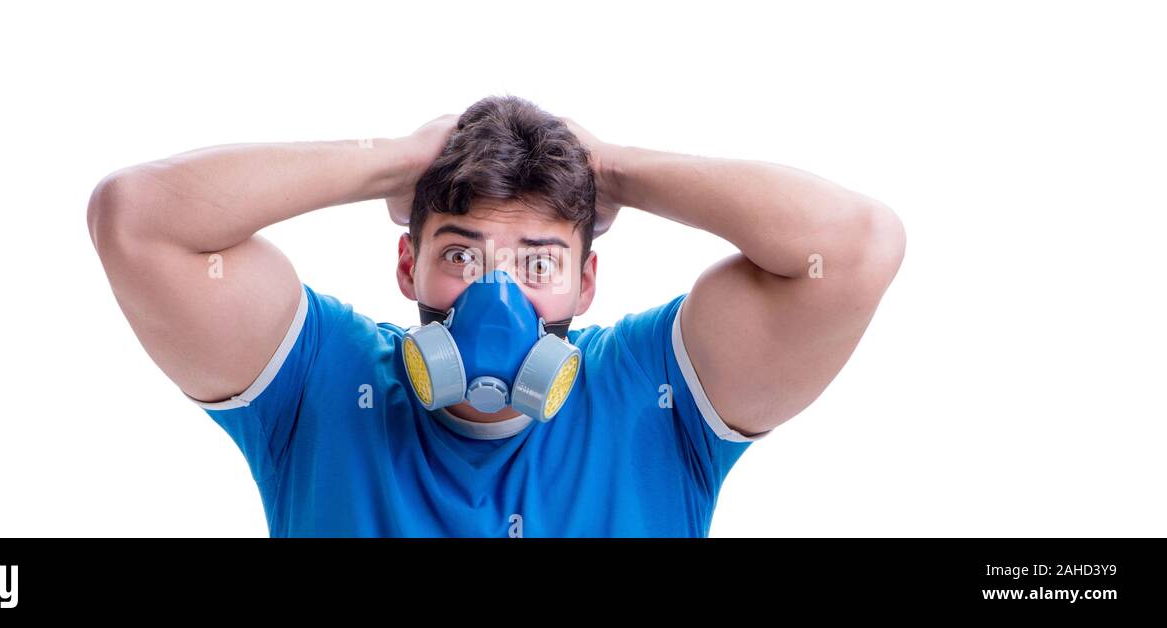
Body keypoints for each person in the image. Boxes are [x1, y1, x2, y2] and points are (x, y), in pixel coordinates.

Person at [86, 95, 905, 537]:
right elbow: (136, 219)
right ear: (408, 264)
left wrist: (612, 166)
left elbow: (857, 247)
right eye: (461, 255)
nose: (495, 298)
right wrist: (398, 162)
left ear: (587, 282)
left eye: (538, 263)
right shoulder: (318, 384)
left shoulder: (658, 397)